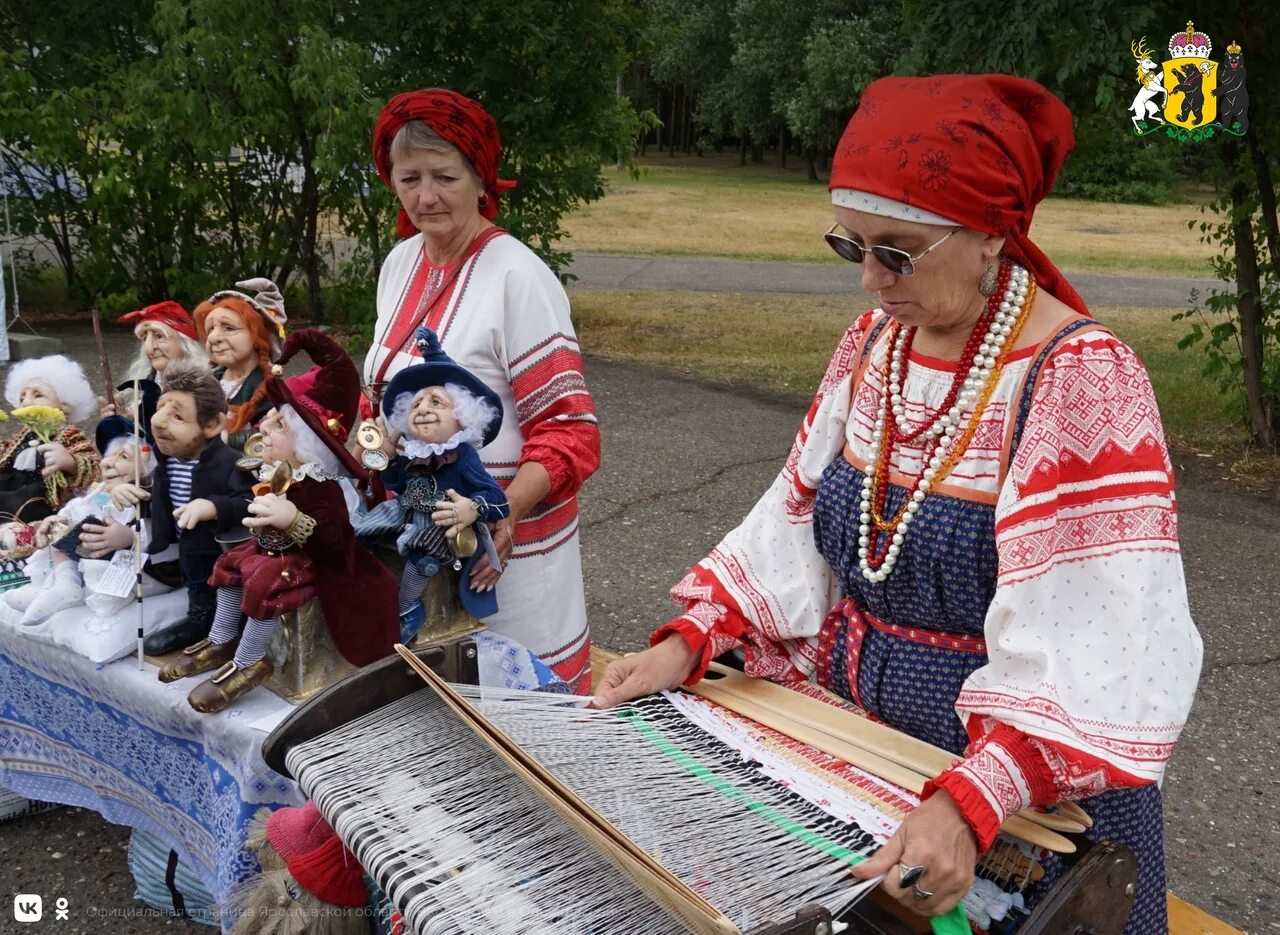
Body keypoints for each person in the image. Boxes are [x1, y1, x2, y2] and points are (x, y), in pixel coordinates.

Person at [594, 75, 1202, 934]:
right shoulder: (875, 346)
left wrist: (970, 799)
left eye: (899, 252)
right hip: (861, 759)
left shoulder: (1079, 379)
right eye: (853, 248)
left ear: (991, 234)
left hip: (1018, 809)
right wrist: (696, 637)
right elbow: (799, 516)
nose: (871, 280)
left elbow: (1106, 646)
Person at [362, 89, 600, 691]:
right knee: (439, 720)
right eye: (408, 177)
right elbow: (379, 395)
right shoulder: (400, 263)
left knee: (523, 726)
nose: (425, 196)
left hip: (504, 554)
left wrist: (508, 509)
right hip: (420, 537)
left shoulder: (519, 276)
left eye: (445, 176)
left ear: (480, 178)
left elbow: (570, 433)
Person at [161, 330, 398, 712]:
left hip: (313, 564)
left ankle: (249, 659)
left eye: (278, 427)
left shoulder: (321, 487)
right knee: (229, 564)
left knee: (264, 581)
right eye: (268, 423)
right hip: (274, 551)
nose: (263, 431)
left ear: (308, 445)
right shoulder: (277, 473)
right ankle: (221, 639)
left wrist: (293, 519)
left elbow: (335, 542)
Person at [354, 326, 511, 641]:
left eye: (436, 403)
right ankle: (365, 589)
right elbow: (397, 482)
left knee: (423, 542)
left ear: (463, 416)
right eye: (416, 405)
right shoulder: (415, 452)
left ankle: (407, 608)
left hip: (440, 523)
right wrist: (386, 458)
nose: (423, 408)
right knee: (360, 530)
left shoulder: (462, 455)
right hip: (404, 511)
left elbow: (497, 498)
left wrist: (472, 508)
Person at [113, 360, 254, 655]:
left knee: (228, 587)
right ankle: (200, 619)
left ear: (212, 424)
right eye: (160, 409)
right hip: (186, 545)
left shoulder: (230, 463)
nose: (159, 421)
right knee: (197, 584)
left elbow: (248, 502)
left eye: (176, 415)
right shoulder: (168, 461)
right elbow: (158, 492)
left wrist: (213, 507)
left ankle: (236, 628)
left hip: (221, 549)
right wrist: (133, 491)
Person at [0, 355, 100, 528]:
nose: (26, 401)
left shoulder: (69, 436)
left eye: (38, 395)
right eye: (22, 397)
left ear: (66, 405)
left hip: (39, 503)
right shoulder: (21, 438)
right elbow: (5, 457)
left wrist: (71, 462)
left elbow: (93, 468)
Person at [193, 278, 287, 451]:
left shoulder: (269, 387)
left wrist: (227, 439)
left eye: (228, 328)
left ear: (257, 336)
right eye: (210, 330)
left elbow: (270, 437)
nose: (213, 338)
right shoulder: (205, 381)